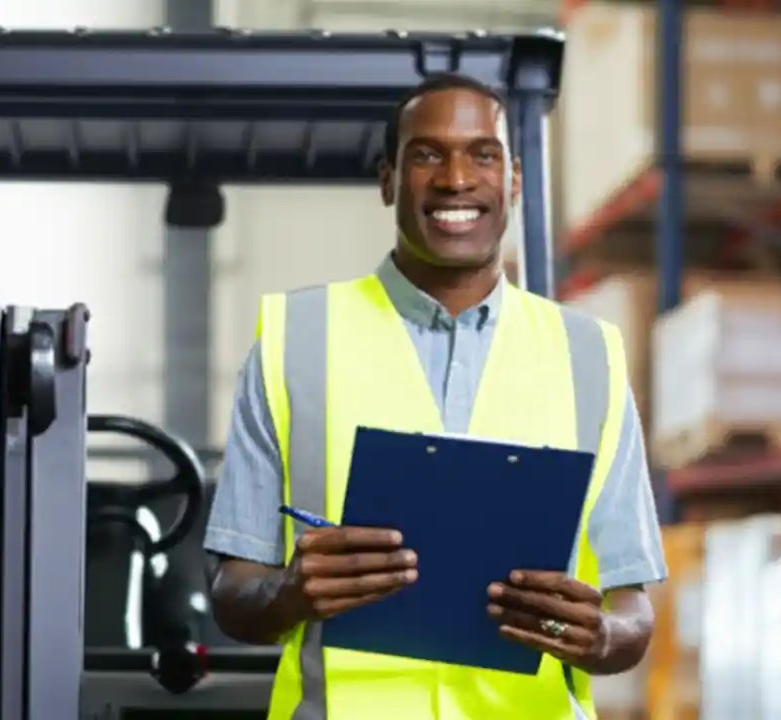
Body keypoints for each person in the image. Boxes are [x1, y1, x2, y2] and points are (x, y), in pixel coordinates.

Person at [202, 73, 668, 720]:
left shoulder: (590, 356)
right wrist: (289, 593)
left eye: (483, 154)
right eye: (427, 154)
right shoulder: (293, 341)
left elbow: (632, 604)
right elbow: (233, 593)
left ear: (513, 181)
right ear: (388, 179)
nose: (456, 178)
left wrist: (600, 636)